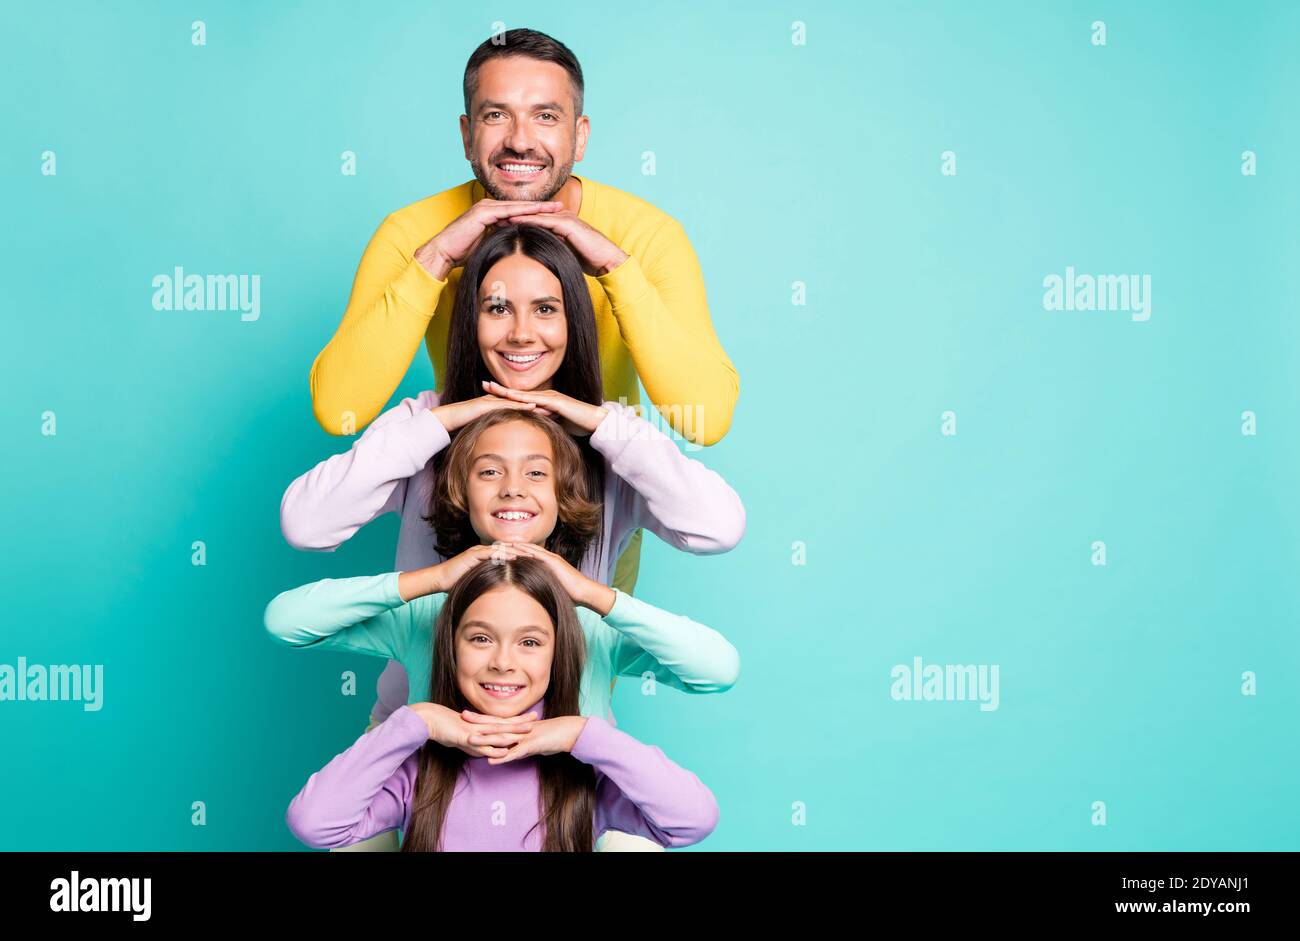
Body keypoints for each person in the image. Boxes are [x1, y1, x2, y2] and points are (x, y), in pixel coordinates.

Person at [283, 557, 720, 851]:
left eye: (529, 642)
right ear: (450, 648)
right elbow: (315, 823)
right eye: (480, 638)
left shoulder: (583, 772)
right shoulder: (419, 766)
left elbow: (691, 820)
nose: (503, 662)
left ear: (556, 653)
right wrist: (414, 721)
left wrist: (581, 733)